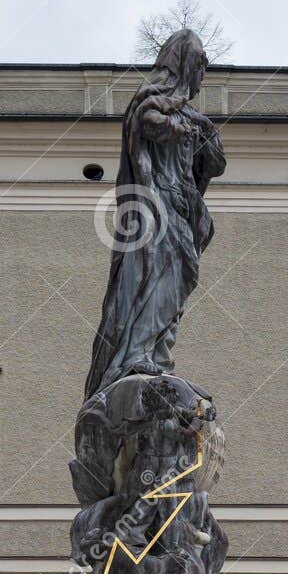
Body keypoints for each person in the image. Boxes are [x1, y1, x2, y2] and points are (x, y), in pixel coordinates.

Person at [85, 28, 226, 400]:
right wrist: (181, 126)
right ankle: (136, 355)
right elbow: (147, 122)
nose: (199, 79)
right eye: (197, 68)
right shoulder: (154, 100)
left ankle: (158, 355)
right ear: (183, 66)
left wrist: (205, 138)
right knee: (152, 280)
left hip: (181, 211)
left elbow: (214, 163)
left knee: (179, 283)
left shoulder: (193, 117)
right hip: (156, 206)